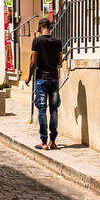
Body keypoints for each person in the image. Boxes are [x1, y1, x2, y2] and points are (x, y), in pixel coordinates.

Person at [26, 18, 63, 150]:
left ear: (40, 27)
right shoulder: (57, 42)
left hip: (41, 79)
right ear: (50, 27)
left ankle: (43, 142)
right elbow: (60, 61)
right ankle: (53, 141)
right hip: (54, 79)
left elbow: (33, 61)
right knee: (54, 110)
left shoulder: (37, 41)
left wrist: (29, 76)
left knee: (42, 109)